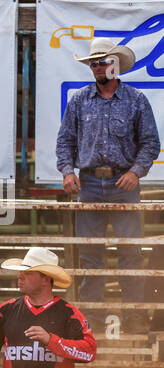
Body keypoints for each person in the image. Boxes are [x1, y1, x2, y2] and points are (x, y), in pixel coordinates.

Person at [55, 38, 161, 335]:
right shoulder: (79, 99)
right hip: (89, 182)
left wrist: (136, 172)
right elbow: (65, 141)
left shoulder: (136, 99)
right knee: (91, 255)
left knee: (130, 252)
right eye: (93, 62)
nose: (97, 67)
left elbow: (151, 142)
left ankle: (135, 318)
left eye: (102, 62)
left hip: (123, 183)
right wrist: (67, 171)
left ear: (115, 64)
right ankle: (92, 319)